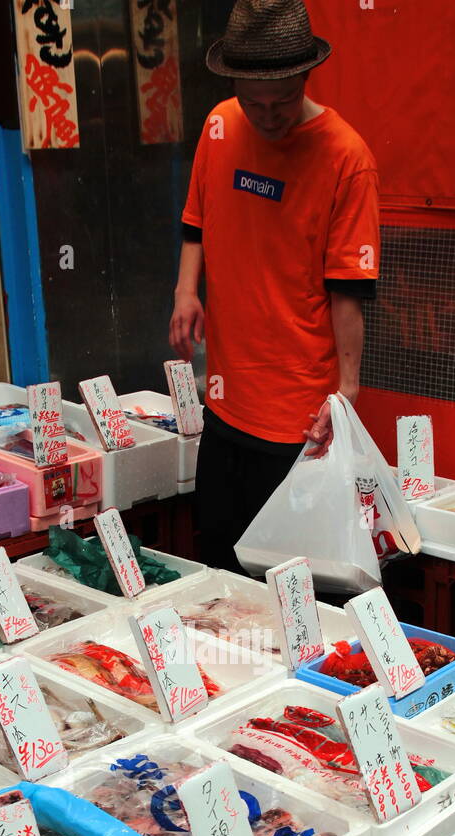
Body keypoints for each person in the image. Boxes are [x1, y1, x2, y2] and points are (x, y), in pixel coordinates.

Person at [169, 0, 379, 572]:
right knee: (216, 570)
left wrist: (348, 391)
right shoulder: (219, 125)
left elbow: (348, 288)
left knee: (285, 584)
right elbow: (197, 221)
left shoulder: (345, 157)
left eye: (282, 101)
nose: (267, 116)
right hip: (226, 400)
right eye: (252, 101)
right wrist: (186, 291)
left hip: (297, 416)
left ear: (306, 77)